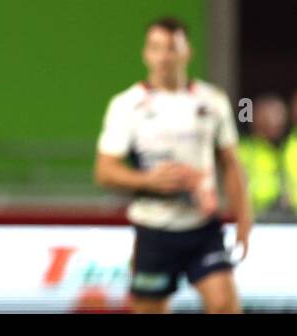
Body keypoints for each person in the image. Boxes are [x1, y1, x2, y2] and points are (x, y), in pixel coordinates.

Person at [94, 19, 252, 313]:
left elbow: (230, 163)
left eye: (171, 48)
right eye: (156, 48)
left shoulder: (212, 101)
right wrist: (148, 180)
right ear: (146, 54)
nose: (164, 56)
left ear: (186, 51)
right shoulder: (127, 105)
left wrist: (244, 218)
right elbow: (104, 171)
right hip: (155, 229)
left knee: (224, 305)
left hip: (202, 227)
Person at [235, 94, 295, 219]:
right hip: (257, 219)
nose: (277, 120)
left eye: (280, 114)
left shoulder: (290, 146)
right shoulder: (244, 150)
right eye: (270, 114)